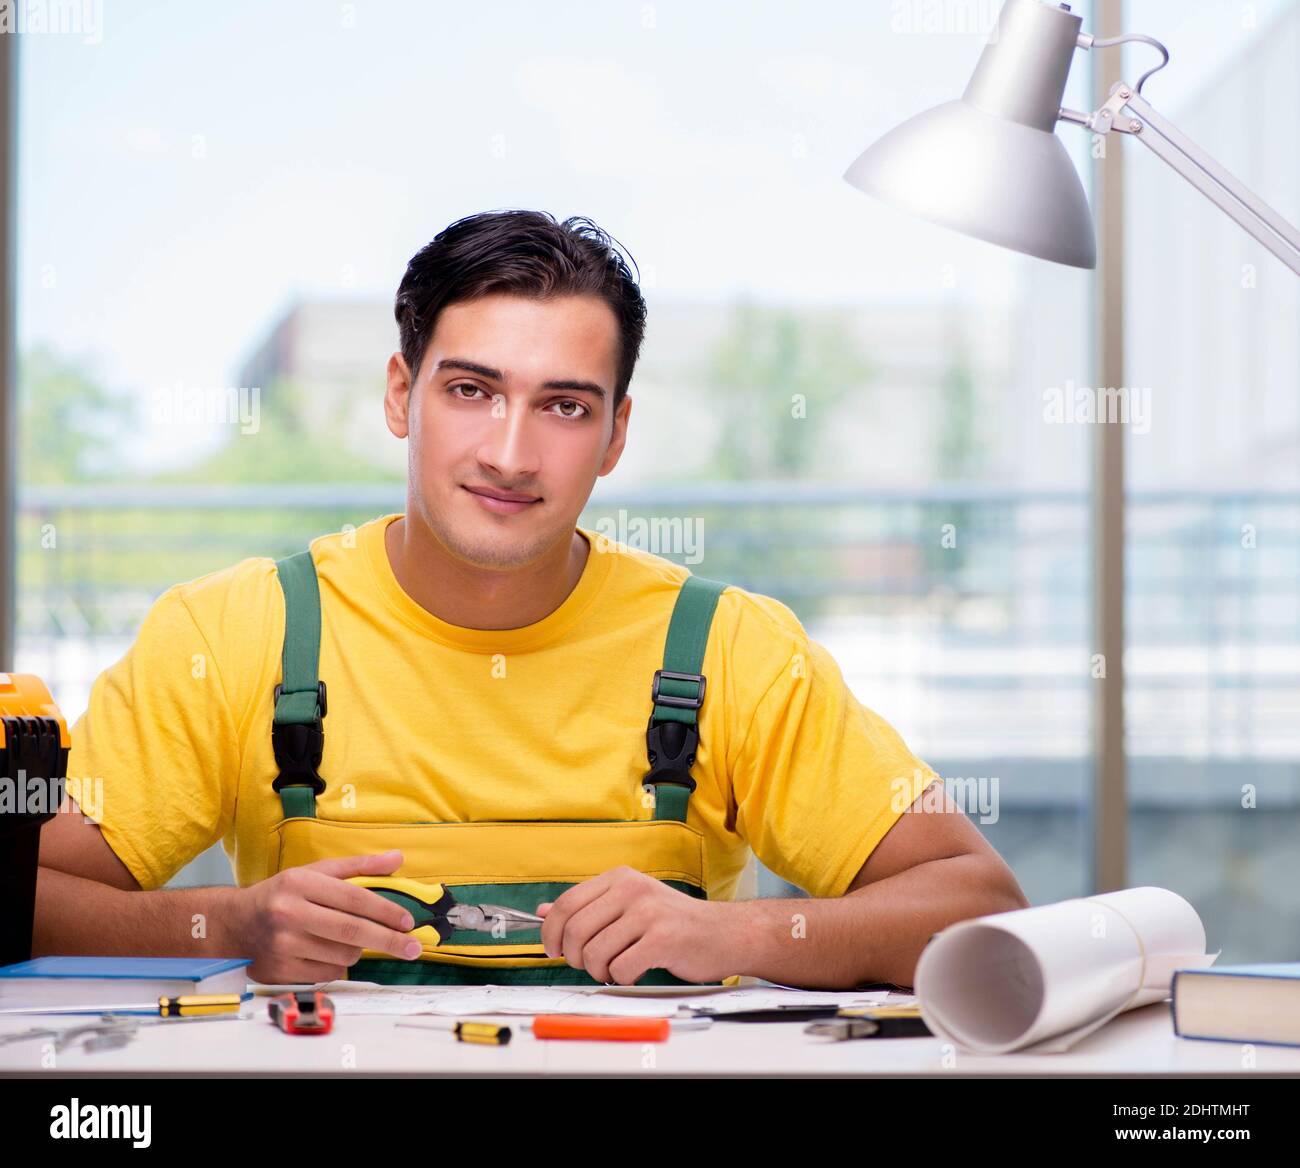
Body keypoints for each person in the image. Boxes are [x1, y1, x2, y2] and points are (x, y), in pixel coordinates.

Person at [35, 209, 1027, 989]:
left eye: (563, 406)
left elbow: (979, 906)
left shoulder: (729, 649)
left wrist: (742, 930)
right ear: (399, 396)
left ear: (616, 434)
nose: (511, 453)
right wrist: (230, 923)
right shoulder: (238, 632)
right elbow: (25, 895)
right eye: (471, 390)